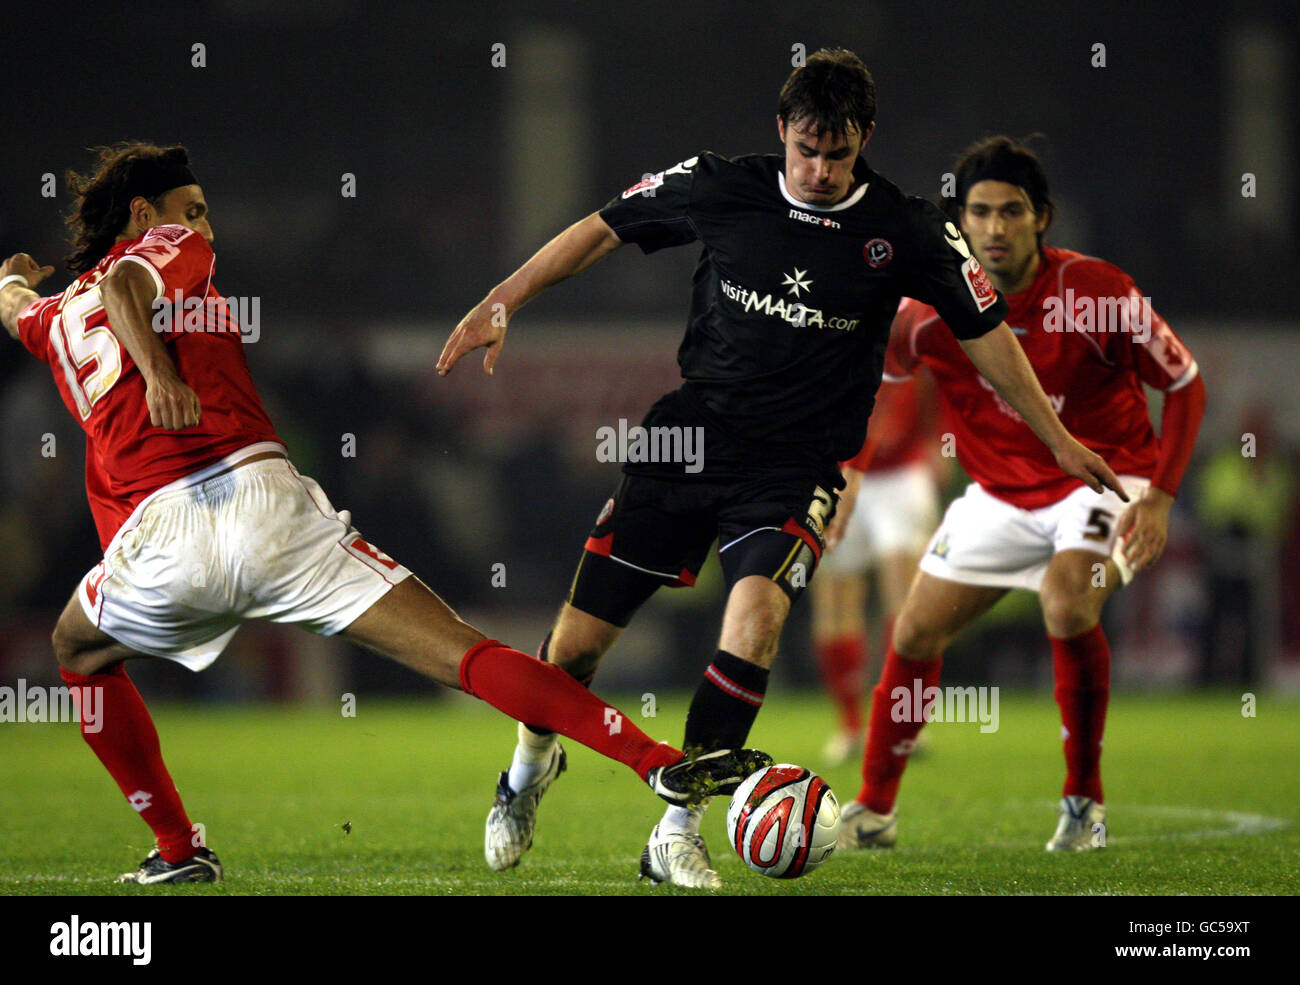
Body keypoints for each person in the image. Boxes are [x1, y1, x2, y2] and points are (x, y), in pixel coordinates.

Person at [438, 51, 1125, 888]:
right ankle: (527, 768)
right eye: (808, 150)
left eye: (839, 153)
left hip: (796, 465)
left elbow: (985, 328)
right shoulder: (722, 185)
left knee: (756, 615)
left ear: (864, 139)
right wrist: (502, 298)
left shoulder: (907, 230)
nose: (823, 169)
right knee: (575, 649)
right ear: (782, 132)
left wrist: (1056, 436)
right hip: (689, 440)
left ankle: (678, 828)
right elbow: (603, 228)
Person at [0, 142, 767, 885]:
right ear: (144, 212)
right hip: (260, 507)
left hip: (157, 549)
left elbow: (15, 308)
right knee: (460, 652)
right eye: (193, 209)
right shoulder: (171, 248)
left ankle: (177, 848)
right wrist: (162, 370)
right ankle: (657, 760)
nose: (206, 228)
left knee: (78, 648)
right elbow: (132, 286)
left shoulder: (57, 316)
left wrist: (14, 277)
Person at [836, 135, 1206, 853]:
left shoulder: (1101, 292)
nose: (996, 228)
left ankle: (1083, 802)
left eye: (1012, 211)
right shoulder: (927, 307)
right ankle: (874, 810)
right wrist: (848, 472)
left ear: (1042, 218)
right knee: (912, 632)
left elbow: (1184, 383)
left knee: (1066, 601)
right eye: (980, 212)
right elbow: (879, 383)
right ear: (960, 220)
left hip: (1104, 477)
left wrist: (1159, 497)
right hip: (999, 494)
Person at [811, 371, 942, 765]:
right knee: (835, 601)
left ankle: (900, 724)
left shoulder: (905, 314)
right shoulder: (818, 320)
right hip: (835, 474)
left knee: (906, 602)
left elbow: (939, 369)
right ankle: (850, 726)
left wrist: (937, 437)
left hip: (899, 472)